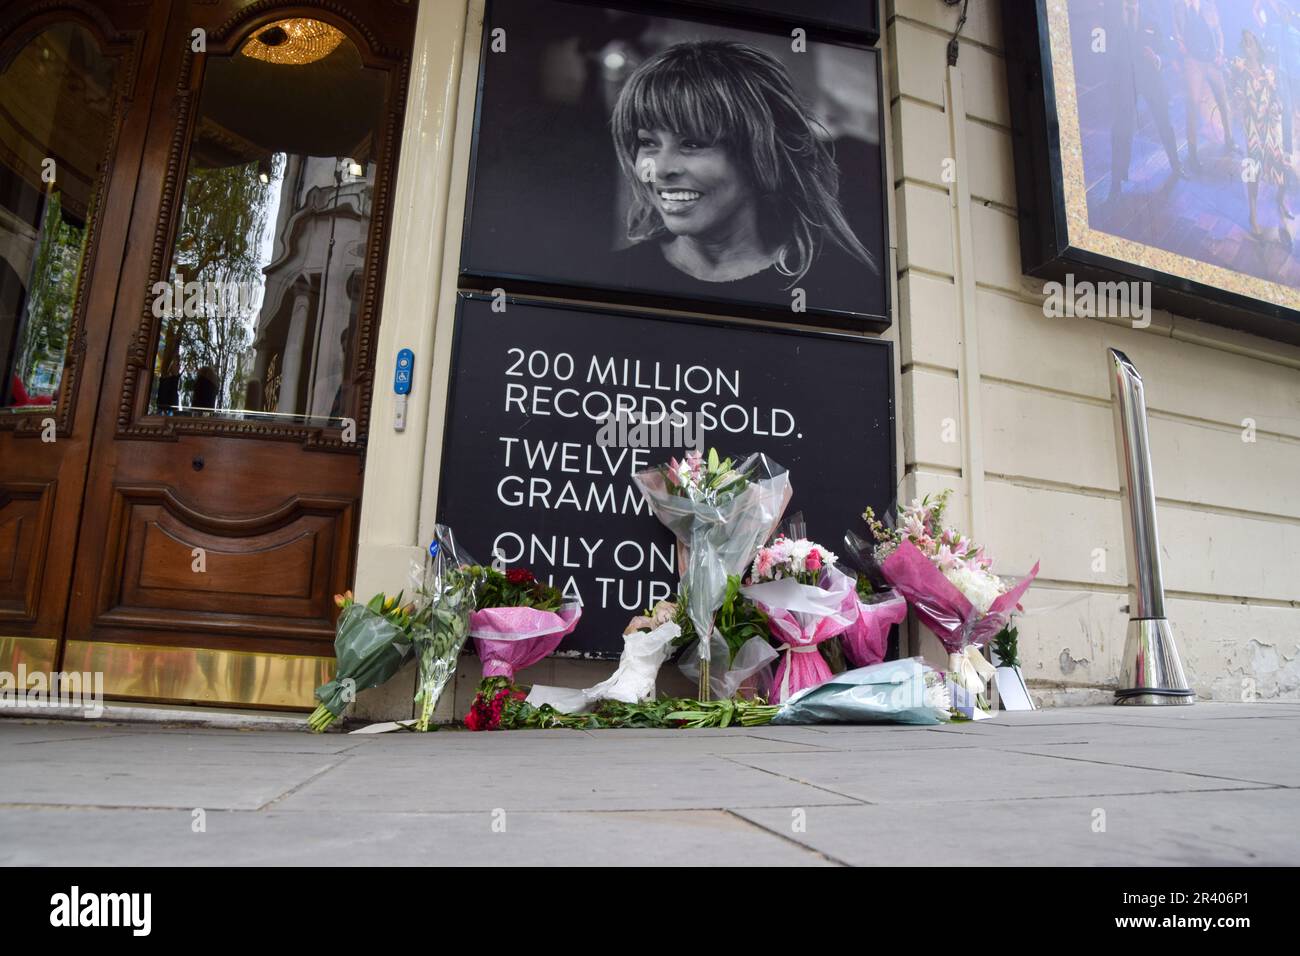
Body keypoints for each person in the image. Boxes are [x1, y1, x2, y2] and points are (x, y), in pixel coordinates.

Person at [607, 40, 877, 304]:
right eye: (648, 143)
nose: (662, 169)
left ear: (761, 153)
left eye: (692, 144)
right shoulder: (615, 277)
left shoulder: (842, 287)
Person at [1106, 0, 1183, 202]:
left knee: (1164, 123)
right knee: (1121, 129)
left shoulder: (1152, 20)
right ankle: (1116, 180)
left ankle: (1176, 166)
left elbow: (1167, 52)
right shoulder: (1111, 15)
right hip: (1124, 82)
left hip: (1151, 80)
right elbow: (1103, 51)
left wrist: (1156, 58)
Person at [1230, 29, 1296, 246]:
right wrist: (1239, 100)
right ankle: (1253, 214)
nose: (1249, 46)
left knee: (1279, 164)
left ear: (1258, 47)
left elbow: (1277, 97)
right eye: (1245, 43)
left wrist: (1277, 106)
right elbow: (1236, 96)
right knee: (1253, 170)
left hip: (1270, 126)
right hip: (1252, 127)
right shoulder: (1240, 71)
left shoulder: (1268, 71)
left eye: (1252, 42)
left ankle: (1280, 200)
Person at [1174, 0, 1239, 171]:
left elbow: (1219, 32)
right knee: (1193, 106)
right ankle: (1193, 152)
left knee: (1224, 102)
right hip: (1193, 62)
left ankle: (1229, 139)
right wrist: (1178, 47)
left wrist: (1220, 52)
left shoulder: (1209, 5)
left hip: (1212, 61)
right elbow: (1173, 34)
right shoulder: (1179, 7)